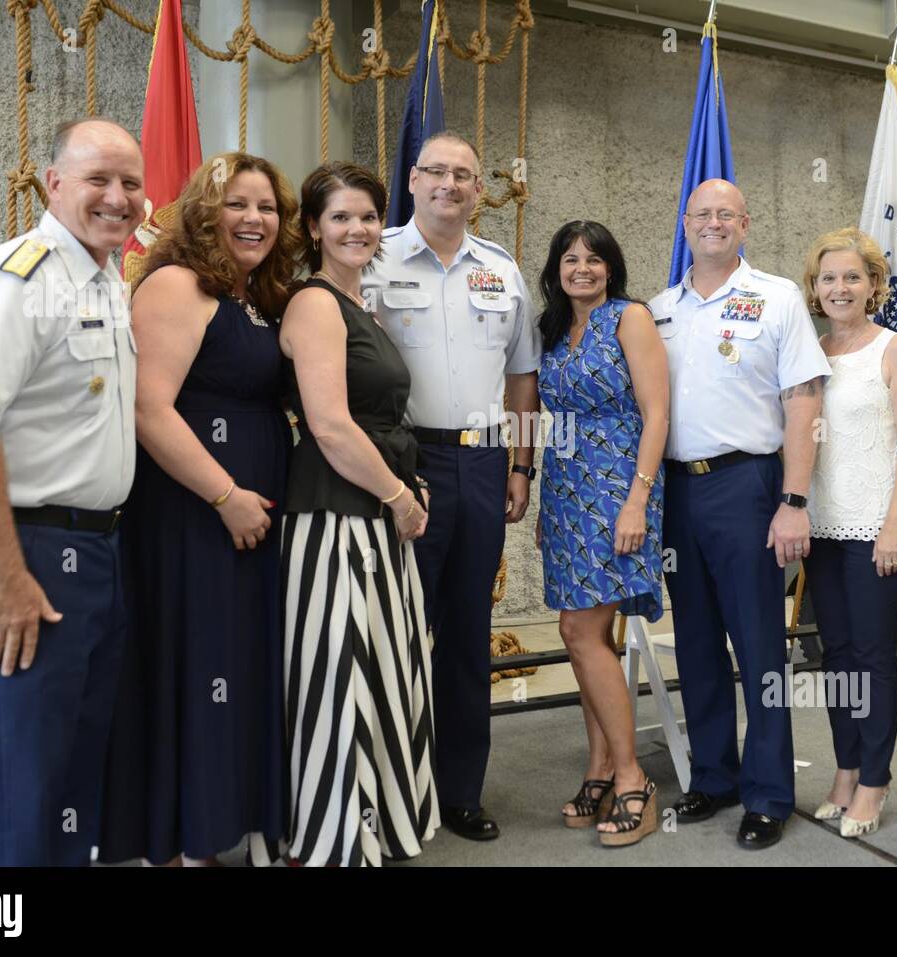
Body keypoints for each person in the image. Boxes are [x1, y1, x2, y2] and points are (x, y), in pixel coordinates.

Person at [0, 118, 143, 865]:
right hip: (23, 554)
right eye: (98, 179)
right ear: (52, 184)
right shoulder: (16, 280)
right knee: (16, 785)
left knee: (69, 777)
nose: (118, 197)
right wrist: (5, 575)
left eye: (131, 183)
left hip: (93, 554)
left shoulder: (105, 279)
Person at [97, 153, 300, 866]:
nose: (254, 219)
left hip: (249, 514)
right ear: (204, 213)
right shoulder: (177, 284)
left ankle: (228, 820)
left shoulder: (255, 294)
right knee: (201, 665)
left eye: (267, 207)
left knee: (237, 668)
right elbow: (148, 409)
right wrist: (224, 495)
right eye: (237, 204)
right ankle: (187, 841)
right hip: (193, 514)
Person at [363, 131, 541, 841]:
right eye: (435, 171)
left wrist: (522, 466)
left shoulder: (501, 268)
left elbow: (522, 375)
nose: (450, 184)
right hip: (403, 464)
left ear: (478, 189)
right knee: (396, 627)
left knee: (467, 632)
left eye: (463, 174)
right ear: (411, 180)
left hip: (483, 464)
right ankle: (386, 790)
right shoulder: (372, 257)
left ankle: (459, 790)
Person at [646, 179, 831, 850]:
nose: (714, 223)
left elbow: (803, 401)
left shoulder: (777, 298)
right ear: (685, 223)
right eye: (702, 214)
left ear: (745, 224)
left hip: (746, 484)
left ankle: (769, 792)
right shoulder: (659, 310)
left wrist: (793, 500)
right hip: (677, 490)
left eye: (727, 214)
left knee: (758, 645)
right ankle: (714, 776)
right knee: (695, 641)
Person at [279, 161, 437, 866]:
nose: (357, 228)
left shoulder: (359, 302)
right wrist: (399, 497)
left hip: (374, 506)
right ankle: (336, 835)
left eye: (369, 216)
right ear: (314, 228)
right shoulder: (315, 303)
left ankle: (375, 819)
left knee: (377, 672)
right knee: (340, 677)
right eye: (340, 217)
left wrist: (406, 485)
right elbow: (331, 427)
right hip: (335, 517)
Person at [534, 221, 668, 847]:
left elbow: (657, 413)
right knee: (589, 635)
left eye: (593, 259)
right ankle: (600, 767)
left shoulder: (629, 319)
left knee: (580, 631)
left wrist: (637, 499)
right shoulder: (554, 328)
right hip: (566, 491)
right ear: (556, 270)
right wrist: (544, 501)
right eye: (569, 259)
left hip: (619, 490)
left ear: (610, 268)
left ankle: (634, 777)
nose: (581, 268)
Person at [800, 227, 897, 838]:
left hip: (877, 525)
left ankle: (875, 779)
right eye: (829, 277)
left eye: (853, 276)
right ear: (815, 287)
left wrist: (895, 525)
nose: (840, 287)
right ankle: (847, 768)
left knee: (873, 655)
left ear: (874, 284)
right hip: (820, 525)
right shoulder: (810, 353)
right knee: (837, 655)